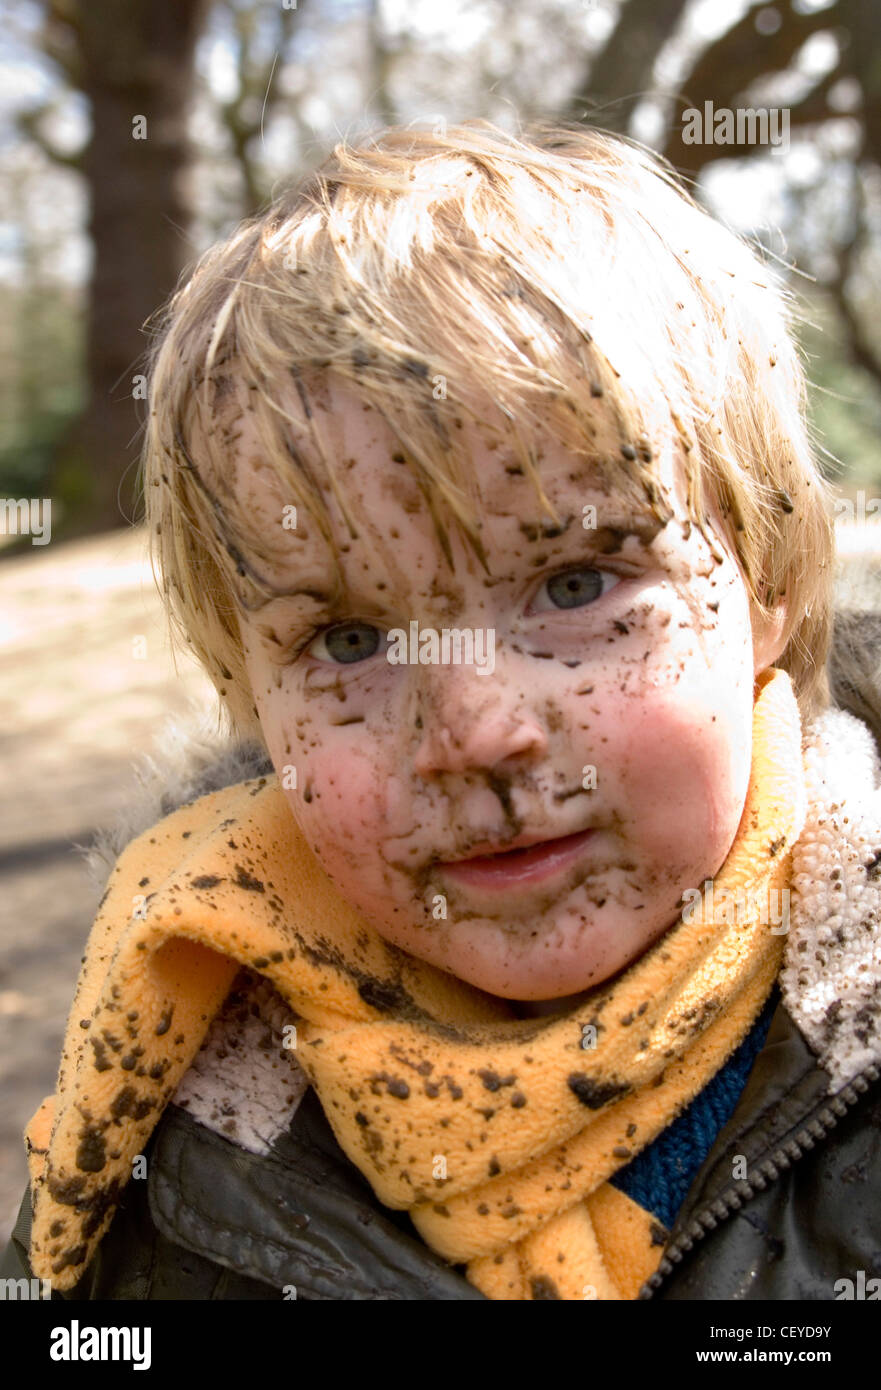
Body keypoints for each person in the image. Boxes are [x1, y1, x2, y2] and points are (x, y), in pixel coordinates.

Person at [3, 119, 880, 1301]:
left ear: (767, 581)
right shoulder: (181, 1102)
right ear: (250, 695)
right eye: (350, 641)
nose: (474, 732)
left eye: (577, 584)